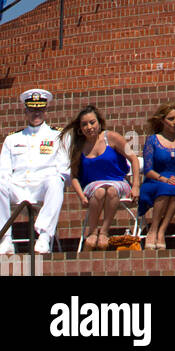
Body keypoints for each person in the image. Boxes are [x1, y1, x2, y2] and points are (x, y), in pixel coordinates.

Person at [0, 88, 70, 255]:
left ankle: (44, 236)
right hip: (18, 187)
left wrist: (57, 179)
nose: (36, 113)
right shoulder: (12, 139)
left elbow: (64, 171)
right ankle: (6, 238)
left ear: (46, 110)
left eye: (39, 109)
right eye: (32, 109)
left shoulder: (58, 136)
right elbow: (3, 170)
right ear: (25, 110)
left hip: (43, 187)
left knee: (56, 180)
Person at [63, 105, 140, 251]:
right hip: (93, 186)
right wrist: (81, 196)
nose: (89, 127)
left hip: (118, 182)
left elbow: (134, 159)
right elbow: (73, 176)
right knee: (99, 191)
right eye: (84, 124)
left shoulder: (112, 137)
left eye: (92, 122)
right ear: (80, 128)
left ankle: (104, 232)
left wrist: (136, 186)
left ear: (99, 122)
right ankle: (92, 232)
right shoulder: (79, 146)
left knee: (110, 190)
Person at [138, 102, 175, 249]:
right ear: (162, 120)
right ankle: (153, 229)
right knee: (165, 187)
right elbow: (148, 169)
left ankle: (161, 231)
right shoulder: (153, 140)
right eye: (171, 119)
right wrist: (164, 179)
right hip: (156, 180)